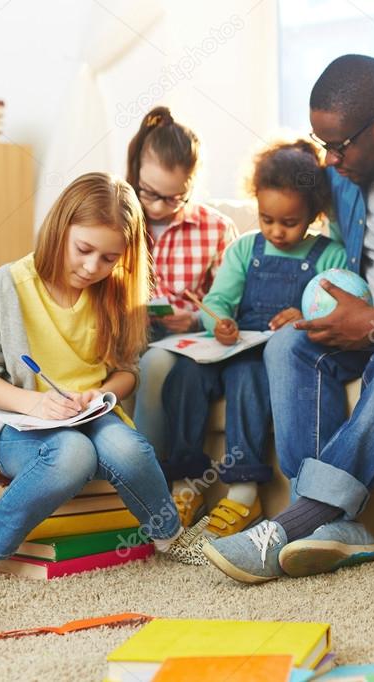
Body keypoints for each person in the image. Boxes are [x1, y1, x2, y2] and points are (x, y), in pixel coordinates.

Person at [202, 54, 374, 584]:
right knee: (288, 345)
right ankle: (334, 525)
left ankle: (297, 520)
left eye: (338, 145)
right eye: (322, 143)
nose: (328, 160)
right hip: (360, 320)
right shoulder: (349, 171)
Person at [0, 173, 209, 590]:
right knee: (72, 452)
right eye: (83, 250)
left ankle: (169, 536)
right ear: (59, 228)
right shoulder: (7, 285)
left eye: (109, 258)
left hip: (91, 416)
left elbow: (127, 371)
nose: (92, 267)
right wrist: (35, 404)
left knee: (127, 446)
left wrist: (103, 395)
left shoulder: (114, 291)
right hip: (19, 424)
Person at [161, 140, 345, 540]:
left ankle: (244, 492)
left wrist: (304, 316)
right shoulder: (246, 248)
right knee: (183, 376)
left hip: (270, 357)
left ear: (314, 213)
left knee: (245, 378)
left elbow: (336, 308)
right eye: (267, 219)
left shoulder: (330, 255)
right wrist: (220, 321)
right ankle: (185, 483)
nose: (276, 231)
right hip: (232, 344)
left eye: (290, 222)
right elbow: (218, 300)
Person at [127, 106, 236, 526]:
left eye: (174, 197)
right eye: (149, 193)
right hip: (127, 330)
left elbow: (226, 301)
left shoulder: (215, 228)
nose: (158, 207)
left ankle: (145, 487)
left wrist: (191, 318)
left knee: (156, 365)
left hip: (185, 341)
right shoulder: (119, 216)